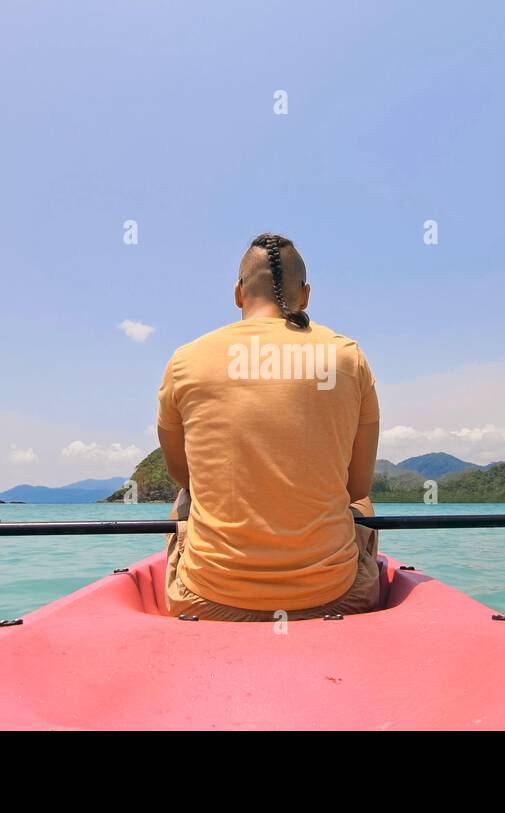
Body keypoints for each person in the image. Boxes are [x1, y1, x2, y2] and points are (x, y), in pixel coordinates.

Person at [156, 233, 381, 621]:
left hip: (206, 598)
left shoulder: (185, 360)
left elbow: (185, 476)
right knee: (362, 505)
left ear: (238, 293)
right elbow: (357, 488)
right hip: (333, 595)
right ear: (306, 296)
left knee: (184, 498)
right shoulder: (348, 357)